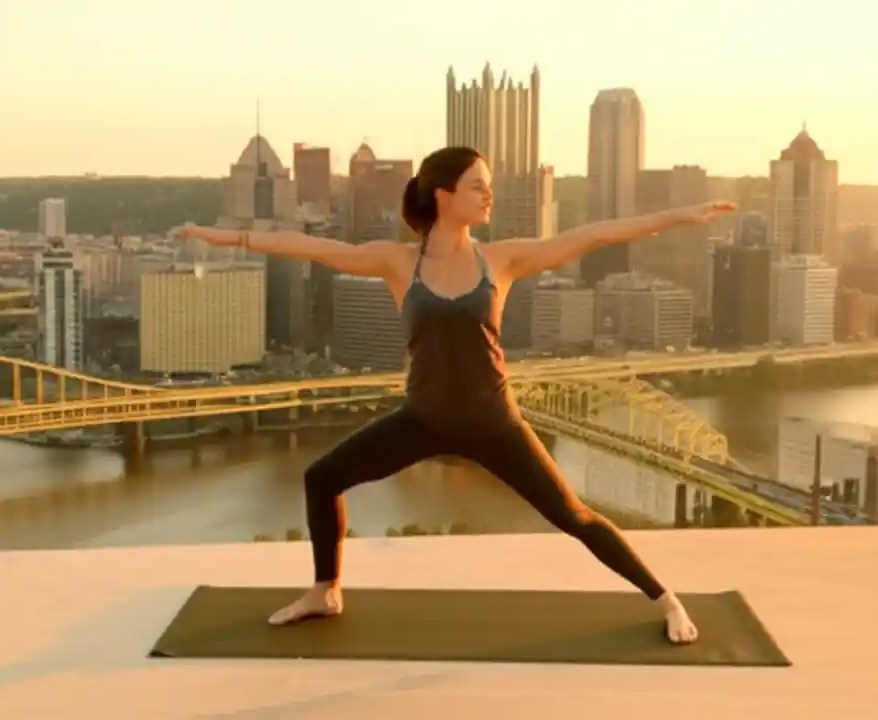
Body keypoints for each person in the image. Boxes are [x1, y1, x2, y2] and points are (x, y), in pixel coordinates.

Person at [178, 146, 736, 644]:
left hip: (495, 423)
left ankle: (667, 600)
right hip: (422, 420)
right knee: (321, 478)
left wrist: (680, 216)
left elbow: (593, 235)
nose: (488, 193)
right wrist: (221, 237)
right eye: (476, 184)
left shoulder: (502, 260)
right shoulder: (401, 262)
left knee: (575, 517)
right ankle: (326, 590)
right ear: (443, 194)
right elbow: (308, 247)